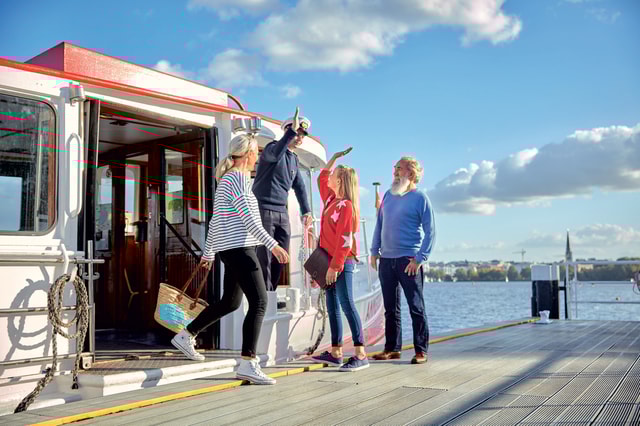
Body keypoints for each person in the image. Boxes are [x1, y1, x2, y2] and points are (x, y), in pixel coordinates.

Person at [171, 134, 290, 385]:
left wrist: (209, 253)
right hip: (240, 249)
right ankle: (248, 363)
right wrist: (274, 245)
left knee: (230, 302)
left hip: (230, 249)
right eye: (256, 152)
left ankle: (186, 335)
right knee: (259, 302)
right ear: (249, 154)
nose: (258, 157)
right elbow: (249, 220)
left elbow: (216, 221)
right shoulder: (237, 179)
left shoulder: (228, 179)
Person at [370, 157, 435, 364]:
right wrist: (374, 251)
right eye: (395, 168)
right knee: (390, 308)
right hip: (386, 259)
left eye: (399, 168)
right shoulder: (388, 195)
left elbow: (431, 232)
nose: (395, 172)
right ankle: (392, 349)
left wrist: (419, 259)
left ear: (411, 173)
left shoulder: (420, 198)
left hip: (409, 260)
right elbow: (380, 224)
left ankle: (421, 351)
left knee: (416, 307)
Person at [311, 148, 369, 372]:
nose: (330, 177)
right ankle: (336, 352)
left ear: (340, 181)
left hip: (342, 261)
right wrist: (333, 158)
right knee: (333, 305)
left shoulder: (346, 206)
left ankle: (361, 354)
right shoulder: (331, 200)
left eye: (334, 175)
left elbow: (345, 239)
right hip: (329, 261)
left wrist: (335, 267)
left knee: (346, 303)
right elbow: (321, 177)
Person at [253, 107, 313, 292]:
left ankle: (270, 292)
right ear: (288, 131)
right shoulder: (271, 149)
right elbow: (275, 153)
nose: (300, 137)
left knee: (282, 256)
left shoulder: (294, 159)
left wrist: (306, 211)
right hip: (264, 210)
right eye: (297, 132)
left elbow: (300, 187)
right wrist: (290, 133)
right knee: (264, 257)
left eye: (302, 134)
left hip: (281, 212)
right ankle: (264, 297)